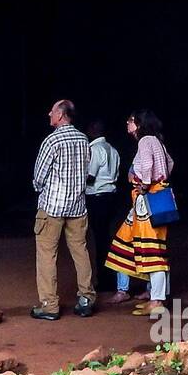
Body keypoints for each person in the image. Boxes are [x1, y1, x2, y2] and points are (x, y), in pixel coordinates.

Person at [31, 99, 95, 320]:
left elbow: (39, 176)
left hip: (52, 207)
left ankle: (49, 305)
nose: (49, 113)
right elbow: (86, 171)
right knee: (81, 252)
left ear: (60, 115)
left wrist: (40, 189)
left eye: (52, 111)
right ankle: (86, 299)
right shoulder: (83, 139)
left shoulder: (52, 141)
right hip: (77, 206)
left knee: (47, 255)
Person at [106, 109, 174, 315]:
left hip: (147, 199)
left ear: (138, 123)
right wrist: (160, 179)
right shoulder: (157, 141)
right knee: (151, 247)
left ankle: (157, 301)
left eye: (130, 120)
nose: (127, 123)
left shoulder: (145, 141)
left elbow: (146, 165)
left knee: (153, 251)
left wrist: (145, 184)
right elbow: (170, 163)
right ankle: (154, 297)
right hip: (155, 197)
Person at [83, 120, 123, 298]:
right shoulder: (113, 150)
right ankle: (111, 277)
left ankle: (104, 279)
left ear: (93, 130)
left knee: (100, 240)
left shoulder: (95, 150)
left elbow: (90, 177)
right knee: (106, 236)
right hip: (111, 195)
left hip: (97, 197)